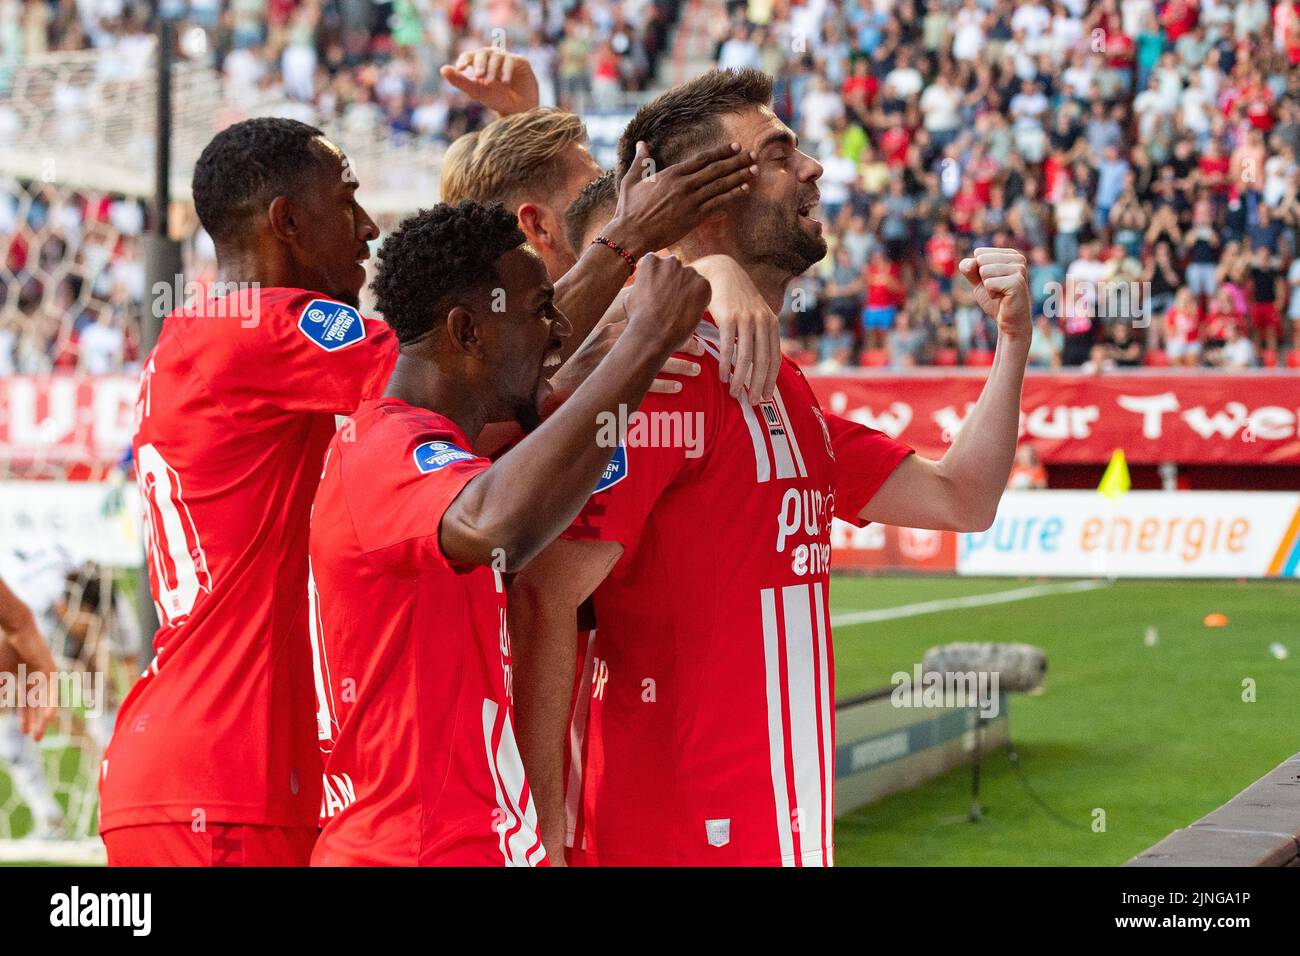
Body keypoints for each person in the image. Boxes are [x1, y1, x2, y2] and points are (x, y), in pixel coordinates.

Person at [99, 114, 749, 867]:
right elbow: (465, 357)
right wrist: (625, 251)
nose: (369, 227)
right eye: (347, 202)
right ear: (286, 221)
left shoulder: (215, 337)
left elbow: (490, 362)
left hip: (230, 768)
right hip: (228, 780)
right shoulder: (264, 327)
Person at [508, 69, 1033, 866]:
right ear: (707, 196)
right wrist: (540, 834)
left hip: (785, 830)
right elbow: (547, 597)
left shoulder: (778, 384)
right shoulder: (660, 372)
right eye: (780, 152)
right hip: (673, 840)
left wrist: (1013, 344)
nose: (815, 167)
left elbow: (963, 499)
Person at [307, 202, 710, 865]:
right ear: (467, 331)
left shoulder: (433, 448)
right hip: (412, 851)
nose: (557, 334)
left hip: (464, 841)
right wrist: (644, 341)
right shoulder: (386, 449)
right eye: (538, 312)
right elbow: (498, 530)